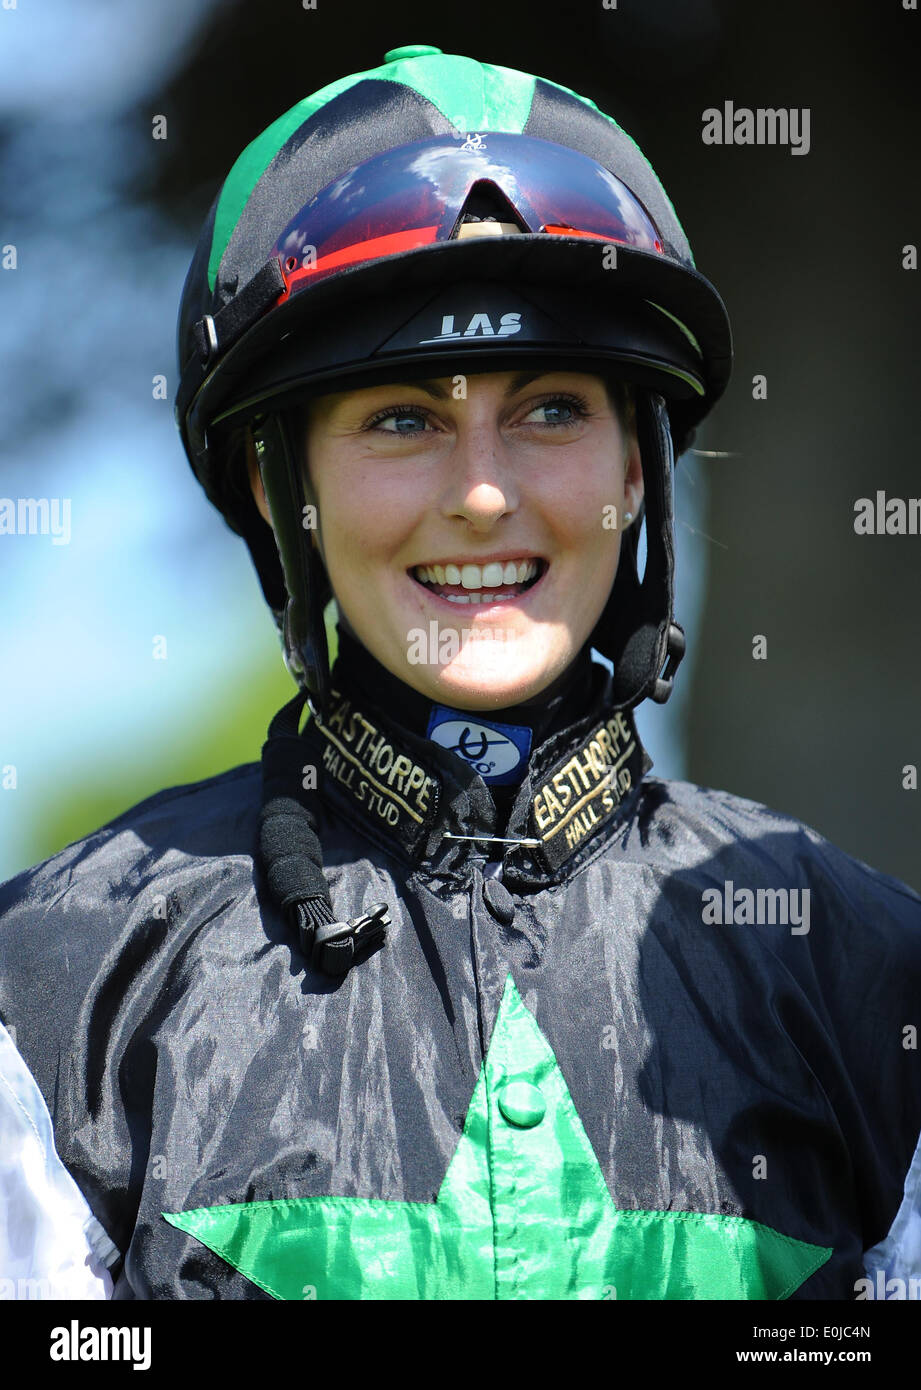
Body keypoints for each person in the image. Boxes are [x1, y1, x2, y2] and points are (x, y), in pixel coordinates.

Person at [1, 43, 919, 1302]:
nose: (485, 494)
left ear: (638, 468)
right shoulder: (47, 991)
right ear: (281, 489)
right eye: (401, 419)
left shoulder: (877, 976)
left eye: (551, 408)